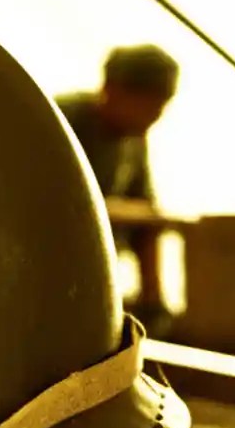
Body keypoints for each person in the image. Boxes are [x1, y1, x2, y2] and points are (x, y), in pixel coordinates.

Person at [56, 44, 178, 335]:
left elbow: (145, 209)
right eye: (147, 105)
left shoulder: (134, 137)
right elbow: (50, 198)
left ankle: (153, 311)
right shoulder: (63, 119)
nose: (154, 116)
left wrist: (153, 295)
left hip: (98, 262)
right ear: (112, 90)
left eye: (160, 108)